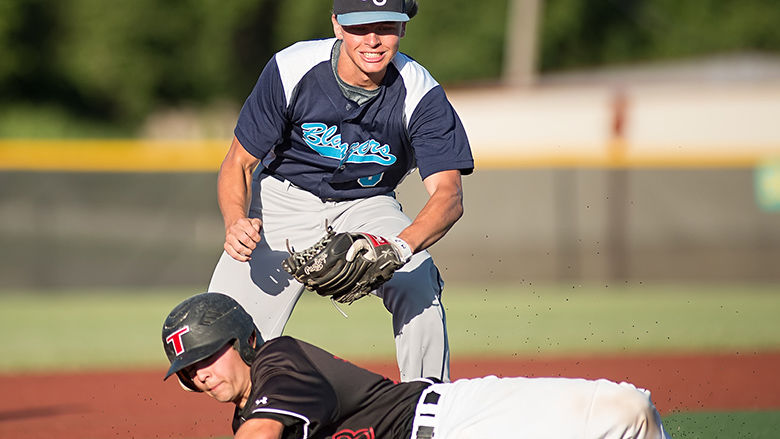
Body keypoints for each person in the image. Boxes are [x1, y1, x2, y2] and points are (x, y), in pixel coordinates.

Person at [208, 0, 473, 383]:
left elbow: (448, 195)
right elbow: (238, 162)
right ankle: (262, 417)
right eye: (359, 27)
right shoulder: (292, 68)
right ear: (336, 25)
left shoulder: (420, 92)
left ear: (402, 29)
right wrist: (235, 220)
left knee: (418, 282)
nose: (373, 40)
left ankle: (428, 406)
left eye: (385, 27)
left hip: (368, 204)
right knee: (224, 337)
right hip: (285, 197)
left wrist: (399, 247)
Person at [162, 292, 672, 439]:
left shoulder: (280, 362)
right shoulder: (248, 416)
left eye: (208, 355)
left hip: (453, 420)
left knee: (627, 408)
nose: (200, 373)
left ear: (246, 340)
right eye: (188, 369)